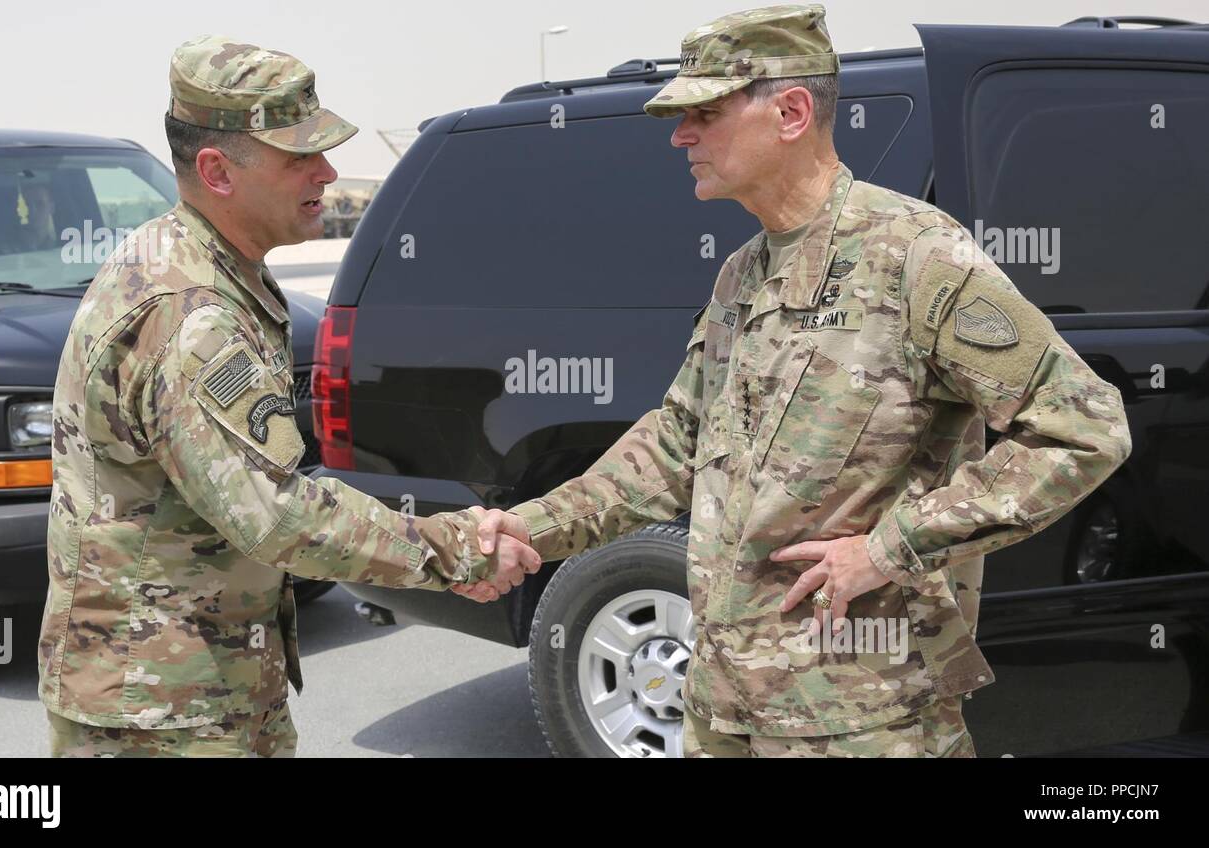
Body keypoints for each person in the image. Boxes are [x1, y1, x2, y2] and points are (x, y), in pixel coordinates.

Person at [464, 4, 1132, 757]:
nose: (680, 134)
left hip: (860, 718)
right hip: (723, 703)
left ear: (790, 111)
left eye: (705, 112)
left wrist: (891, 548)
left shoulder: (915, 257)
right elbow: (677, 443)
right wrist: (535, 527)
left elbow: (1082, 431)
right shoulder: (743, 274)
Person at [39, 35, 535, 757]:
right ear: (217, 170)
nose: (327, 171)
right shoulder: (190, 311)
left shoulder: (206, 263)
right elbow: (274, 514)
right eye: (298, 156)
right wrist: (450, 548)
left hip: (195, 688)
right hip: (160, 713)